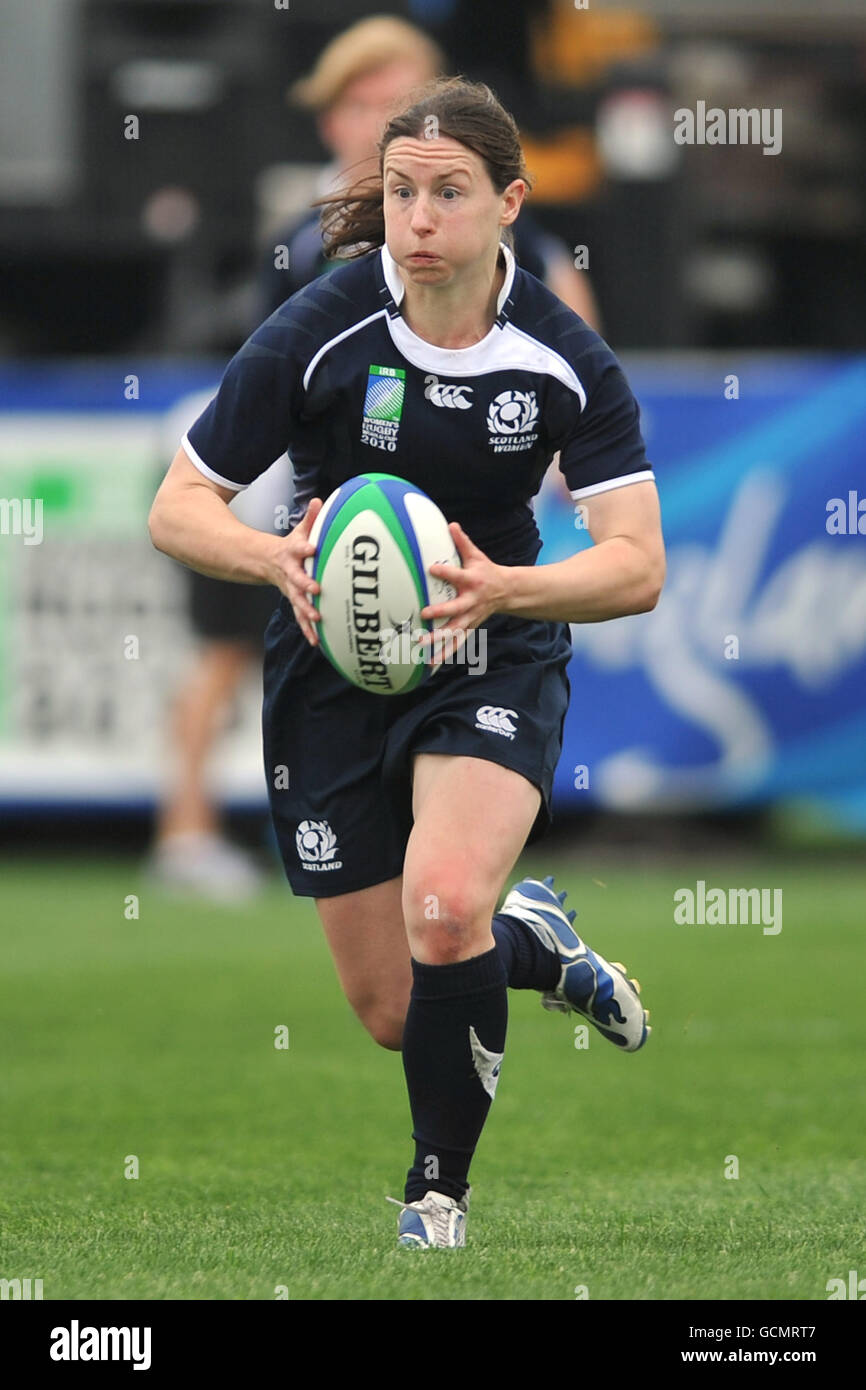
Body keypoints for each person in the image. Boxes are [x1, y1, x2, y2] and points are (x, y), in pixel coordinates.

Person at [149, 77, 665, 1249]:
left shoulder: (563, 356)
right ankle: (534, 938)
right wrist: (273, 560)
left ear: (507, 205)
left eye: (446, 193)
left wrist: (508, 588)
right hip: (331, 663)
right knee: (391, 1009)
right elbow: (179, 508)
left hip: (493, 645)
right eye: (397, 193)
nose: (417, 218)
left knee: (441, 914)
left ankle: (436, 1195)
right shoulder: (321, 326)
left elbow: (636, 565)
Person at [259, 13, 600, 327]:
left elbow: (563, 290)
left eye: (400, 104)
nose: (383, 124)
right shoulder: (298, 247)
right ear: (327, 122)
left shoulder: (492, 220)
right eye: (361, 106)